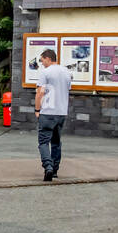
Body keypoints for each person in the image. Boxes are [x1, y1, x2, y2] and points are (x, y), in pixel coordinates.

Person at [33, 48, 72, 181]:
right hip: (61, 113)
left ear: (48, 58)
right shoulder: (67, 72)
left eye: (42, 60)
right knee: (56, 142)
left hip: (47, 113)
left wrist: (37, 110)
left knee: (43, 142)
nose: (42, 63)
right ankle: (55, 170)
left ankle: (48, 167)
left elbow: (40, 93)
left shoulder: (45, 72)